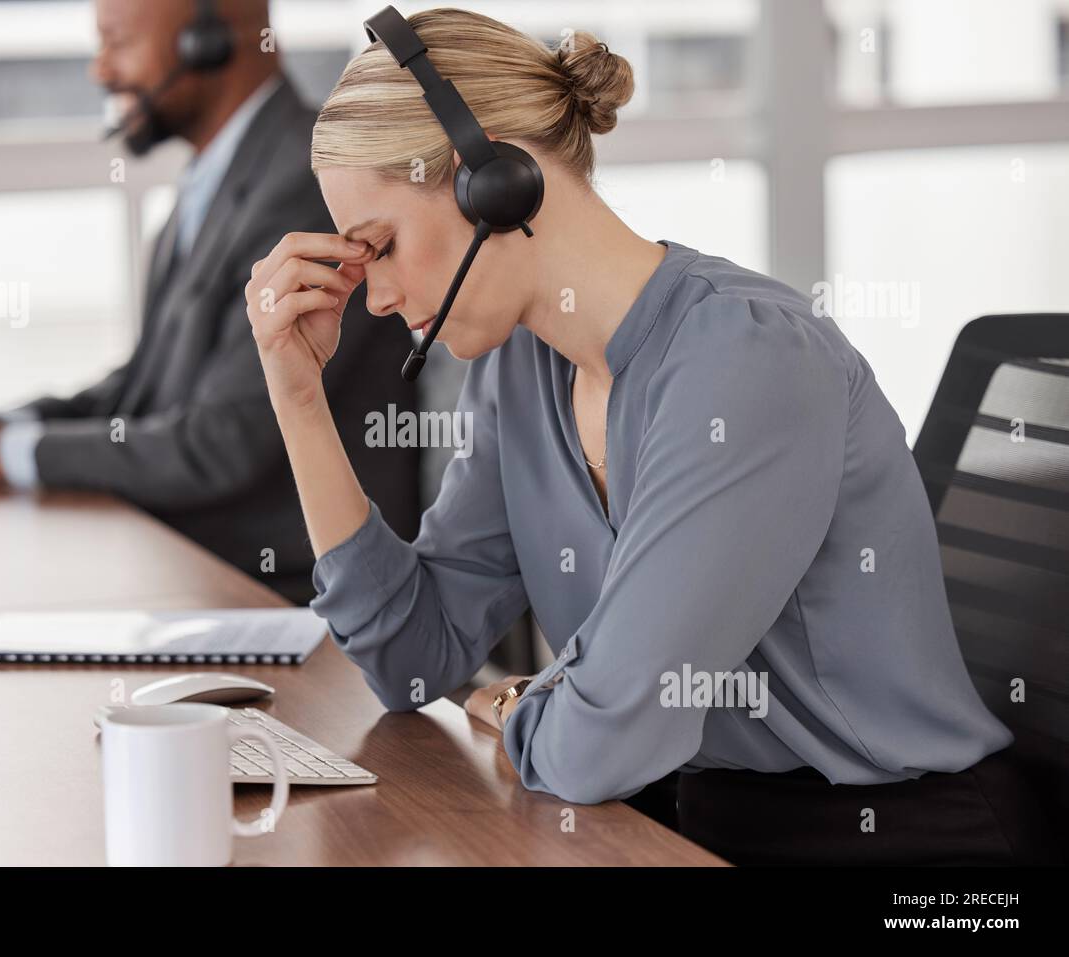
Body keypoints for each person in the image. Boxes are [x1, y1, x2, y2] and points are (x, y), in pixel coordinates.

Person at [242, 7, 1058, 865]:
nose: (373, 301)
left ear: (496, 181)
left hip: (908, 849)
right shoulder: (522, 366)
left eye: (384, 246)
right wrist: (299, 400)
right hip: (688, 822)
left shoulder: (748, 361)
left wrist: (527, 699)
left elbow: (603, 742)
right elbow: (411, 657)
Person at [0, 0, 420, 604]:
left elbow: (221, 441)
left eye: (117, 42)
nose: (100, 71)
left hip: (282, 598)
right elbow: (140, 388)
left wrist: (13, 455)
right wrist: (7, 428)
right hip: (200, 574)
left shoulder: (309, 179)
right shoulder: (213, 179)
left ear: (210, 39)